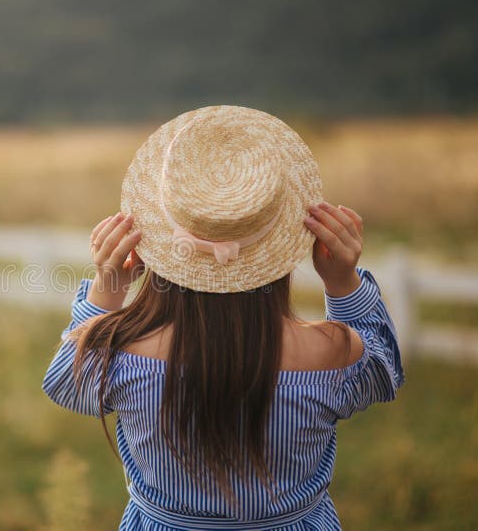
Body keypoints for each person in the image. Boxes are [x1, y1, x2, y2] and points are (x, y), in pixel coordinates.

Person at [42, 106, 405, 530]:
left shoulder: (120, 353)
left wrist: (106, 291)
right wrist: (342, 283)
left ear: (157, 248)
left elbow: (66, 382)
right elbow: (383, 370)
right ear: (282, 246)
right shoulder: (330, 351)